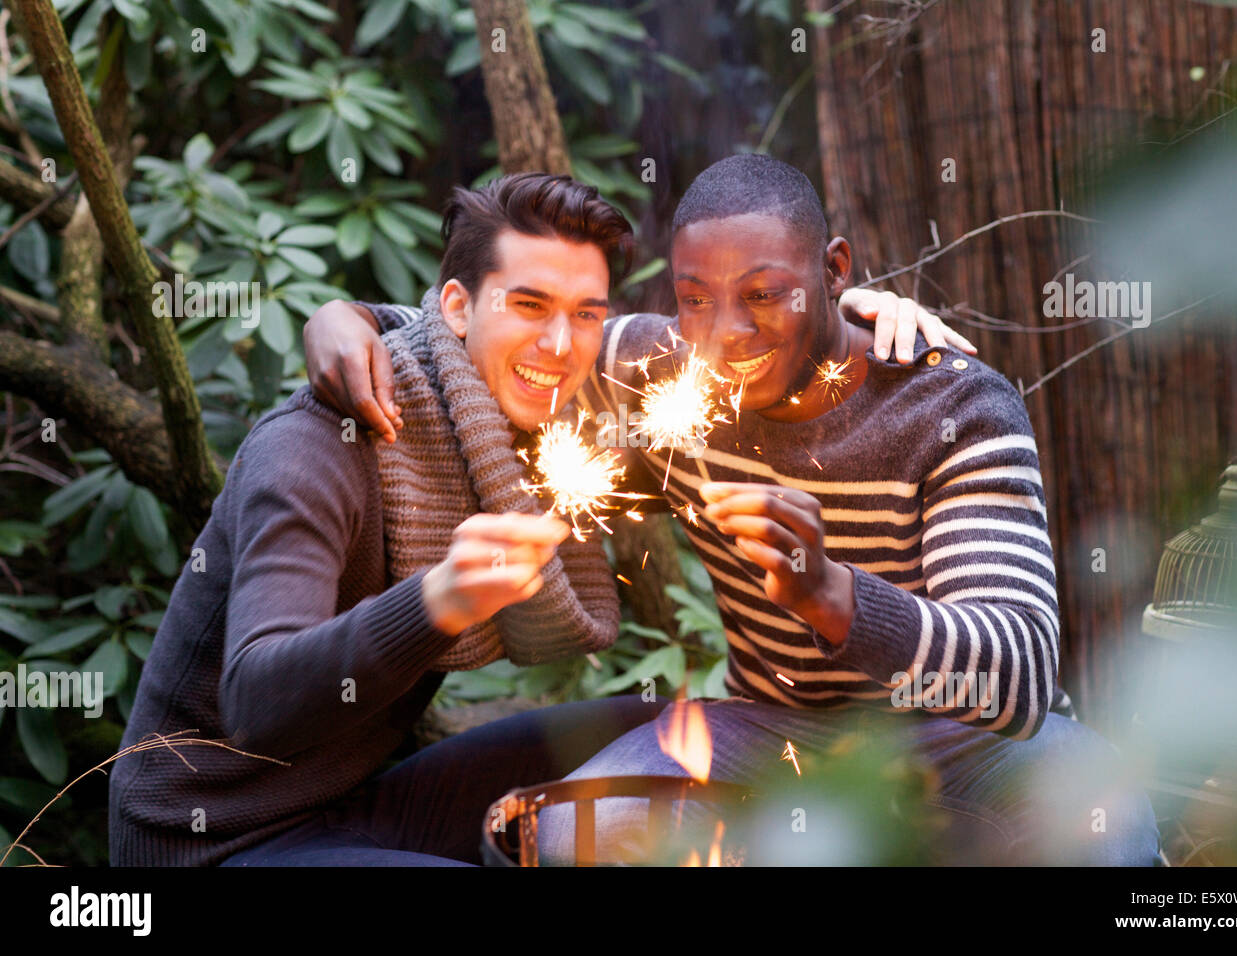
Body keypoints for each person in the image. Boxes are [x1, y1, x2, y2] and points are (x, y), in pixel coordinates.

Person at [305, 155, 1159, 865]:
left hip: (963, 743)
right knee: (570, 836)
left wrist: (836, 597)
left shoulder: (953, 407)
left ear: (834, 271)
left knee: (1103, 829)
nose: (725, 333)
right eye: (695, 297)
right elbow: (506, 336)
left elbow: (1015, 680)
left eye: (764, 294)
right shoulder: (659, 369)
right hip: (765, 729)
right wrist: (350, 321)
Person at [109, 173, 670, 866]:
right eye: (530, 304)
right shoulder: (318, 443)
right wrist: (437, 600)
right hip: (207, 840)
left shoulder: (518, 432)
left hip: (355, 804)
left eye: (587, 314)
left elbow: (692, 366)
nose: (562, 345)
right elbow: (257, 701)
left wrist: (835, 336)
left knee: (664, 738)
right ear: (459, 309)